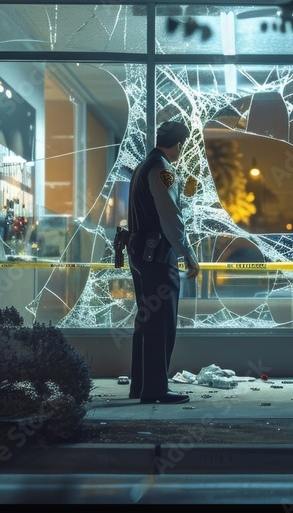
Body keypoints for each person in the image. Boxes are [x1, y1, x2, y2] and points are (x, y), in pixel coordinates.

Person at [125, 120, 200, 404]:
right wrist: (187, 254)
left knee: (146, 320)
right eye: (183, 145)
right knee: (161, 322)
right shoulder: (162, 170)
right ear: (178, 144)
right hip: (157, 255)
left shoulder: (143, 167)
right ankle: (156, 389)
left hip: (139, 252)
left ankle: (141, 385)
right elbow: (170, 217)